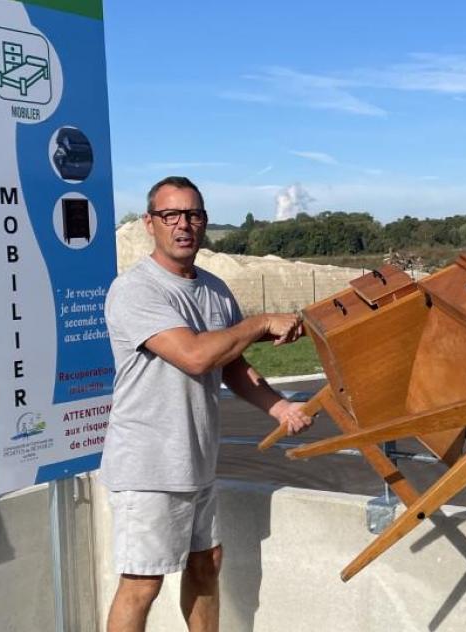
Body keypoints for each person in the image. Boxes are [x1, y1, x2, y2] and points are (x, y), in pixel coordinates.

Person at [102, 176, 313, 632]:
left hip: (196, 459)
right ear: (149, 223)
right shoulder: (136, 290)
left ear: (204, 222)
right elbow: (196, 356)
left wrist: (278, 407)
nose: (183, 225)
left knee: (207, 563)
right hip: (148, 463)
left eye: (193, 215)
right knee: (142, 582)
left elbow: (230, 363)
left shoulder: (215, 289)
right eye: (170, 215)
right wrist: (260, 322)